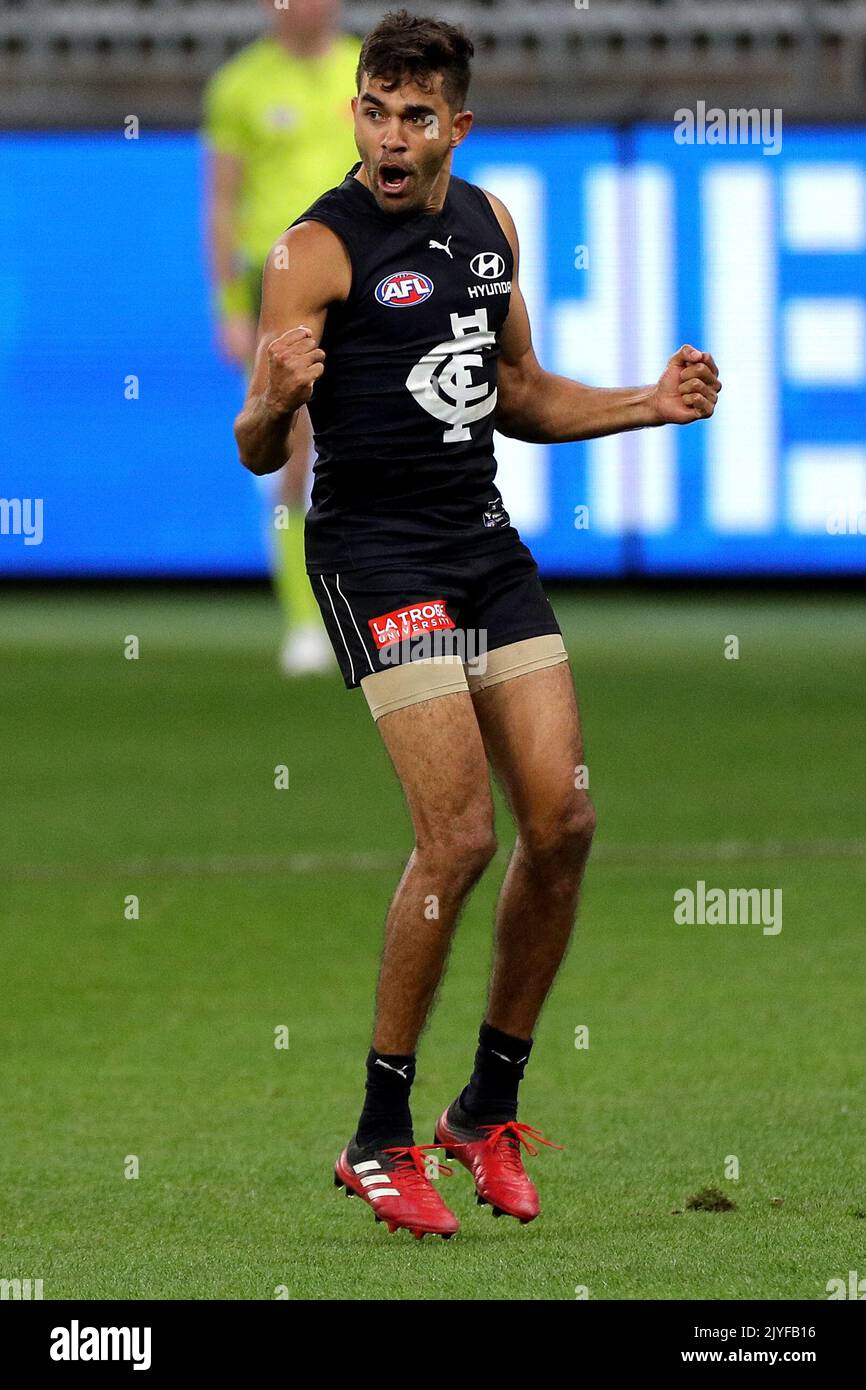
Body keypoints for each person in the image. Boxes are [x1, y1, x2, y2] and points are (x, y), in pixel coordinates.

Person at [235, 9, 721, 1240]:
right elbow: (253, 447)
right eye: (369, 108)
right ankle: (376, 1135)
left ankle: (482, 1109)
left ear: (455, 125)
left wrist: (643, 406)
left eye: (411, 115)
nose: (386, 135)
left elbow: (511, 391)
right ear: (353, 111)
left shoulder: (488, 226)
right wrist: (272, 402)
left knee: (561, 820)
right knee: (455, 839)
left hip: (479, 548)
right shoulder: (311, 251)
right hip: (374, 555)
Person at [203, 0, 359, 673]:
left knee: (375, 450)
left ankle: (379, 607)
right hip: (279, 293)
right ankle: (305, 619)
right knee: (289, 451)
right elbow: (220, 200)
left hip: (365, 281)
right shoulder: (240, 85)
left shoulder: (365, 70)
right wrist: (227, 306)